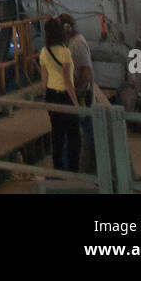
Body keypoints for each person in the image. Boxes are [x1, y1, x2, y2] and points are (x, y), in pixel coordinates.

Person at [39, 17, 80, 173]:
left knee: (57, 135)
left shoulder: (44, 52)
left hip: (51, 95)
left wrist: (45, 97)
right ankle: (73, 171)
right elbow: (68, 81)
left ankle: (57, 172)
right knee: (73, 137)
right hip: (65, 96)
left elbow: (44, 79)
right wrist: (76, 104)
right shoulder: (65, 52)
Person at [61, 13, 95, 171]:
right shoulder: (72, 43)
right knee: (84, 132)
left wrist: (75, 93)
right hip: (78, 96)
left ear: (66, 28)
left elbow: (86, 72)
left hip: (80, 97)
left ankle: (72, 171)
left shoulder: (77, 44)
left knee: (81, 133)